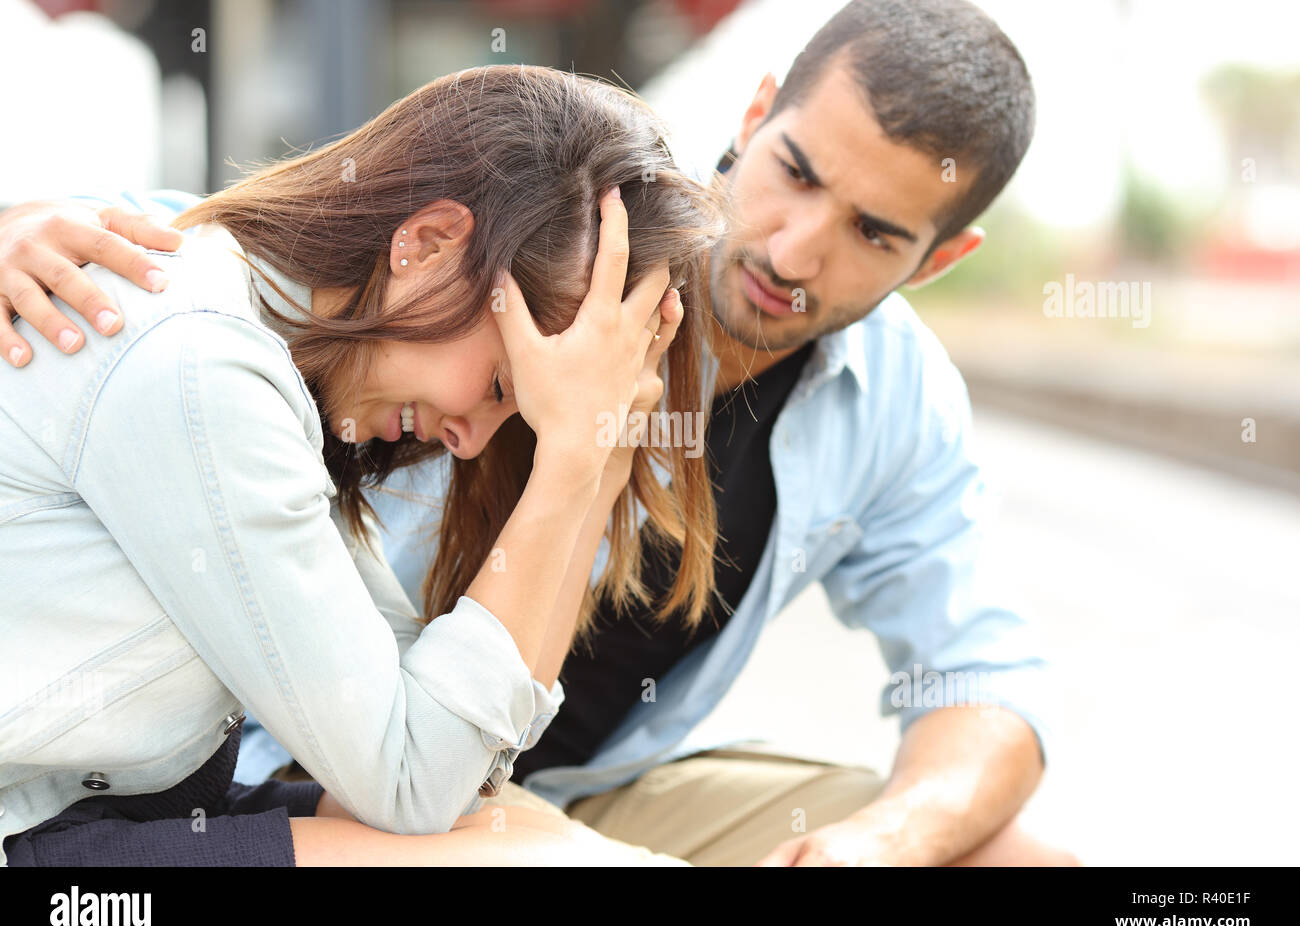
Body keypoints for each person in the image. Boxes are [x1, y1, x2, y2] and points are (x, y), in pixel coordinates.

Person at [2, 0, 1080, 866]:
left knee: (1016, 859)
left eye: (873, 231)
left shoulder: (895, 398)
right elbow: (218, 264)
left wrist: (885, 841)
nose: (795, 250)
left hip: (564, 776)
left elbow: (980, 669)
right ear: (754, 116)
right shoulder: (532, 262)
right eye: (796, 173)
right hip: (326, 771)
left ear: (935, 260)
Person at [0, 64, 725, 866]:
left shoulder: (277, 362)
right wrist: (568, 461)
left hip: (99, 826)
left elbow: (458, 768)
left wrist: (602, 460)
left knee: (524, 832)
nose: (471, 442)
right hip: (40, 841)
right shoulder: (200, 365)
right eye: (498, 386)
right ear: (427, 243)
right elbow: (409, 783)